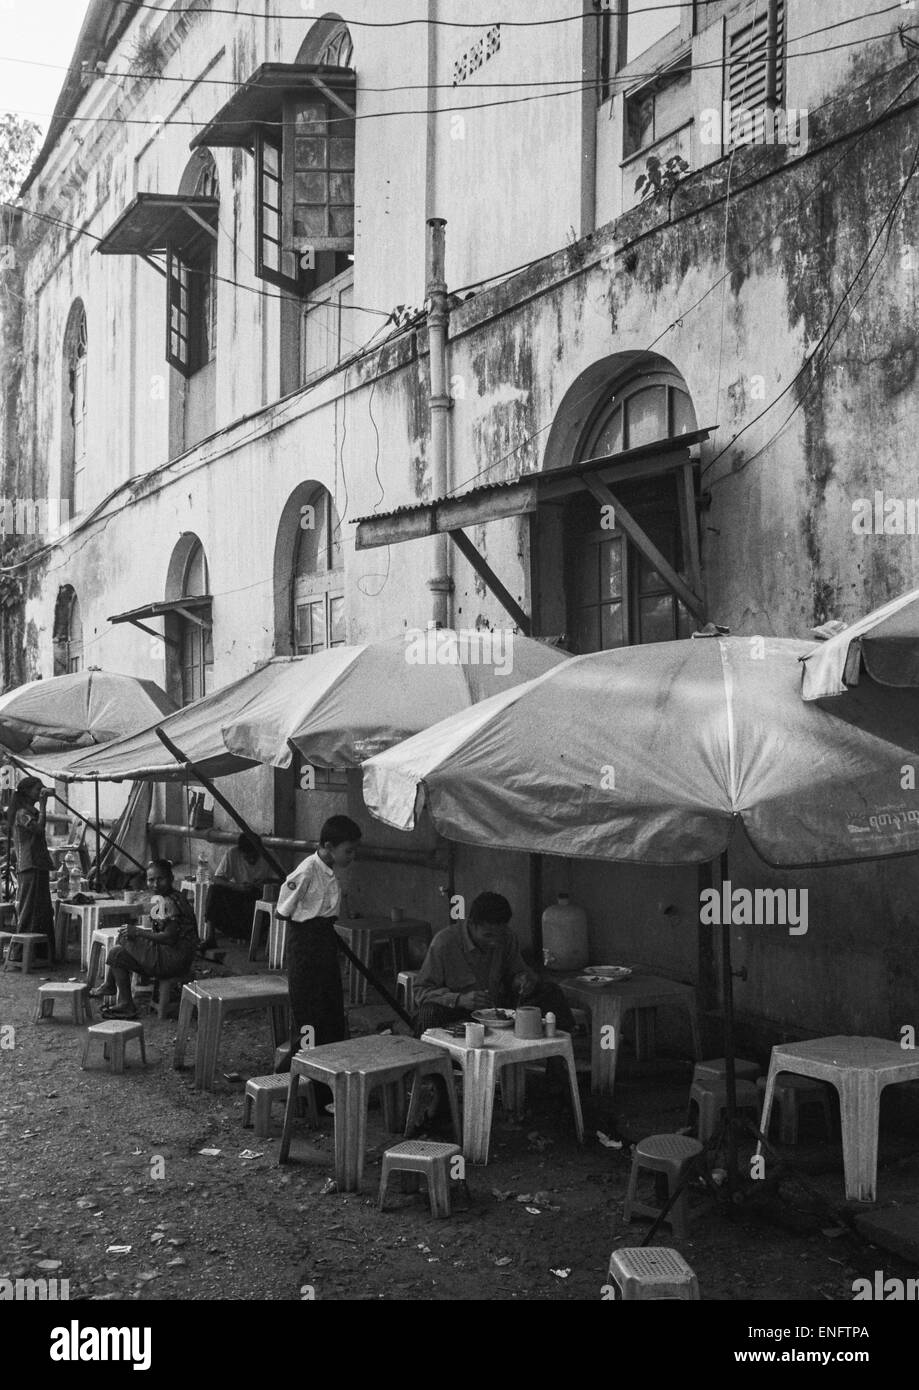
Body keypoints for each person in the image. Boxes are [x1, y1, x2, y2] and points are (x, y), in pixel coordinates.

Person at [276, 816, 361, 1102]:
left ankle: (328, 1087)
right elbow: (282, 909)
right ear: (328, 845)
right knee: (309, 1016)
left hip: (324, 940)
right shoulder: (307, 870)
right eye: (348, 850)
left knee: (331, 1012)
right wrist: (312, 925)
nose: (352, 856)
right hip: (305, 944)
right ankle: (300, 1086)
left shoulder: (328, 869)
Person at [414, 891, 574, 1034]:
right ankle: (436, 1066)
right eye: (488, 935)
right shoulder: (444, 943)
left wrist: (522, 981)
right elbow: (421, 991)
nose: (495, 942)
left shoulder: (508, 937)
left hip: (499, 1009)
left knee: (550, 992)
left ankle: (559, 1062)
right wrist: (459, 999)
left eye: (499, 934)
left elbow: (518, 972)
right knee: (429, 1013)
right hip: (460, 1011)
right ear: (471, 924)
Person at [90, 859, 198, 1019]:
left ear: (171, 878)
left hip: (174, 960)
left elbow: (168, 938)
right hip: (177, 958)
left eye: (160, 879)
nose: (155, 884)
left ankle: (111, 986)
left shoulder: (168, 901)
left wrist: (138, 933)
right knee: (116, 953)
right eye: (151, 880)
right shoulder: (169, 897)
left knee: (124, 936)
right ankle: (125, 1003)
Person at [201, 833, 276, 947]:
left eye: (254, 856)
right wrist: (237, 886)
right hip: (240, 894)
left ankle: (254, 934)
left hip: (260, 896)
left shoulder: (269, 855)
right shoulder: (233, 854)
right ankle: (210, 937)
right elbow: (217, 878)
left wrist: (265, 881)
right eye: (247, 857)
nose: (251, 860)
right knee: (214, 890)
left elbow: (283, 880)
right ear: (241, 852)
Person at [11, 776, 56, 964]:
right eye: (37, 790)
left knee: (44, 910)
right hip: (30, 866)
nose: (40, 793)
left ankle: (41, 953)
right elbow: (39, 830)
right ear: (27, 792)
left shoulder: (31, 811)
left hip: (39, 865)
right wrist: (45, 806)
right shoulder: (22, 813)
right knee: (30, 909)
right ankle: (21, 954)